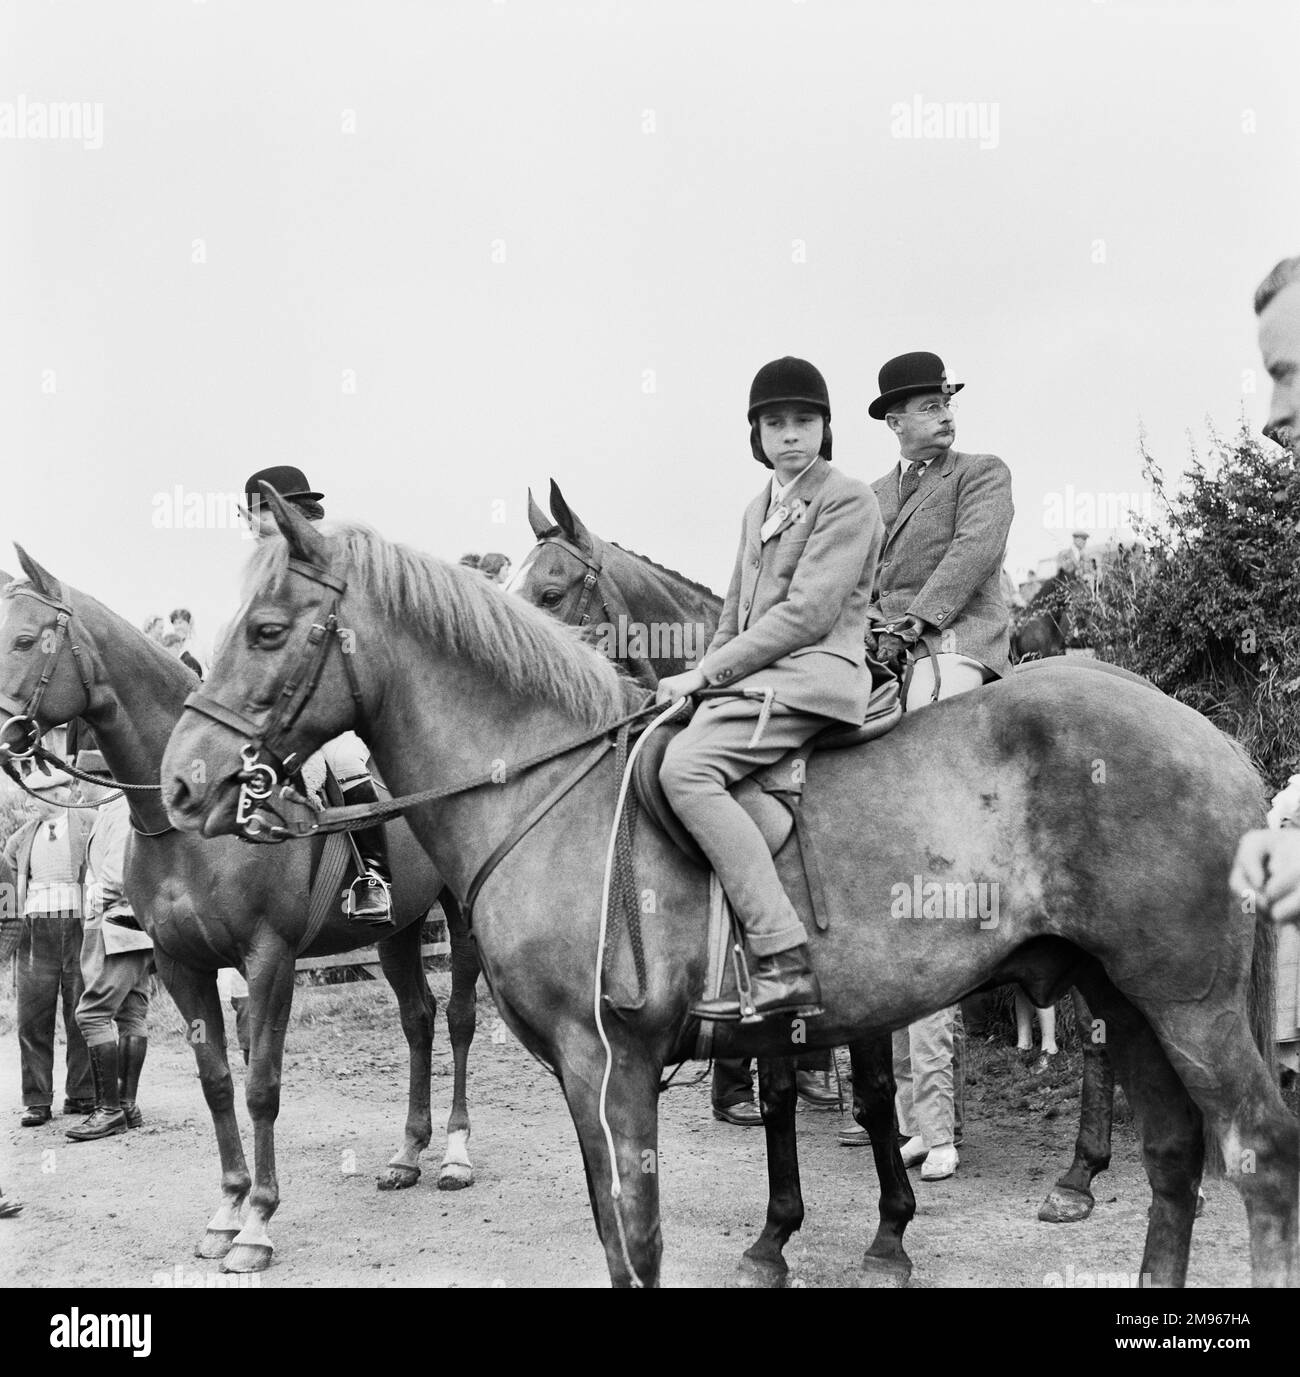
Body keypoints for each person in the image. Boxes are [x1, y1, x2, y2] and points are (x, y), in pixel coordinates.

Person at [656, 357, 883, 1022]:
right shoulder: (758, 507)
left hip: (815, 675)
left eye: (804, 421)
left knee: (688, 769)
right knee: (665, 736)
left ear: (826, 428)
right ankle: (772, 828)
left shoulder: (847, 497)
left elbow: (809, 613)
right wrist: (695, 680)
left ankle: (783, 959)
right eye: (775, 423)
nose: (790, 435)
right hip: (759, 677)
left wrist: (709, 674)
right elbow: (733, 614)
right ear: (756, 435)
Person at [861, 350, 1014, 1181]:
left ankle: (939, 1118)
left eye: (946, 400)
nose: (943, 413)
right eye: (925, 405)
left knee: (930, 755)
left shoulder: (982, 474)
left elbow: (970, 558)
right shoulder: (870, 497)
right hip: (879, 654)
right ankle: (917, 1119)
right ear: (893, 421)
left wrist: (910, 626)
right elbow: (853, 579)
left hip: (954, 644)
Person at [244, 465, 391, 924]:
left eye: (258, 514)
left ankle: (374, 877)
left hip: (332, 698)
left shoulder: (324, 557)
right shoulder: (263, 571)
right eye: (248, 516)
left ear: (284, 513)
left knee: (344, 760)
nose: (251, 526)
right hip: (274, 708)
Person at [66, 751, 154, 1141]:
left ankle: (109, 1109)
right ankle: (128, 1106)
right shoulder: (117, 809)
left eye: (80, 779)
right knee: (132, 1013)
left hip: (115, 927)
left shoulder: (118, 810)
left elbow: (115, 877)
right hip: (134, 929)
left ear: (97, 779)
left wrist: (90, 907)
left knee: (92, 1014)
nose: (77, 787)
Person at [4, 767, 94, 1126]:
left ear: (60, 793)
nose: (31, 802)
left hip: (80, 928)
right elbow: (7, 893)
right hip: (34, 932)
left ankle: (83, 1095)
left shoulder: (92, 823)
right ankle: (37, 1100)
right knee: (32, 1018)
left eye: (38, 793)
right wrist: (8, 936)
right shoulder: (19, 839)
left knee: (82, 1012)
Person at [168, 608, 207, 677]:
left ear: (188, 623)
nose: (177, 627)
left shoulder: (200, 644)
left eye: (180, 622)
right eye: (175, 623)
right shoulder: (171, 645)